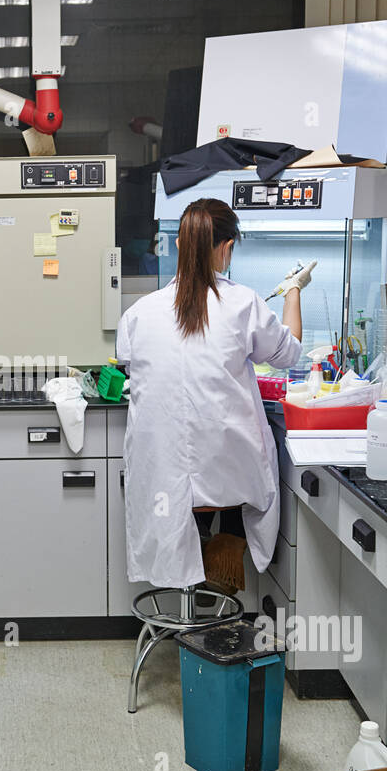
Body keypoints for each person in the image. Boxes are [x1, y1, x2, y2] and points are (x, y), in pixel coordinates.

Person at [116, 197, 308, 593]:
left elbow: (133, 368)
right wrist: (293, 292)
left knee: (194, 473)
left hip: (162, 480)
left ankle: (203, 546)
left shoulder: (139, 313)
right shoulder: (242, 303)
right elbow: (289, 355)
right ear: (226, 247)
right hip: (229, 481)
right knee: (234, 461)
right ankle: (226, 544)